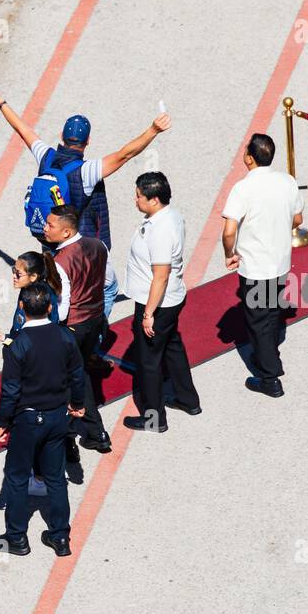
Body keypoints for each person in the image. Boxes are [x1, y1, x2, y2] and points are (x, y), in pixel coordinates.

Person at [0, 84, 168, 308]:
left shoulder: (46, 157)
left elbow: (24, 130)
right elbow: (125, 154)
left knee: (59, 289)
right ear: (88, 142)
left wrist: (0, 103)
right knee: (107, 288)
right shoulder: (86, 172)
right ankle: (94, 334)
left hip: (50, 241)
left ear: (61, 137)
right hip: (82, 247)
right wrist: (153, 129)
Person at [0, 283, 87, 558]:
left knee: (17, 478)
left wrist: (2, 421)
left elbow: (10, 390)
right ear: (51, 308)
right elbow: (78, 375)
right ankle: (60, 536)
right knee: (55, 478)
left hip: (28, 420)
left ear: (21, 308)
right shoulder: (65, 336)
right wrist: (77, 404)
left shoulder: (19, 345)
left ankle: (17, 537)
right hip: (57, 417)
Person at [221, 134, 304, 397]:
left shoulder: (242, 188)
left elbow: (228, 230)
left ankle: (270, 378)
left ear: (249, 158)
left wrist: (229, 253)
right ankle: (270, 356)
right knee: (271, 315)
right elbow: (298, 218)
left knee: (257, 321)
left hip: (255, 267)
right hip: (280, 263)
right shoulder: (287, 182)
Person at [122, 172, 200, 433]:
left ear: (154, 199)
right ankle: (188, 400)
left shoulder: (161, 230)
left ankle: (155, 419)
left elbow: (161, 275)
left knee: (149, 362)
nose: (135, 199)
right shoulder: (169, 215)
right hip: (171, 298)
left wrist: (148, 314)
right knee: (172, 348)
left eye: (139, 196)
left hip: (156, 303)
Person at [42, 205, 114, 452]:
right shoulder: (98, 246)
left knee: (69, 379)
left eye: (50, 225)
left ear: (65, 232)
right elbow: (108, 281)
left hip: (73, 326)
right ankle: (90, 433)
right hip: (95, 319)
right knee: (80, 373)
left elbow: (62, 307)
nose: (44, 228)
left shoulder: (59, 262)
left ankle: (85, 434)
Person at [0, 250, 62, 340]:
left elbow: (47, 331)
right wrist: (8, 338)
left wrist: (15, 345)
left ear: (33, 277)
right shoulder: (27, 288)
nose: (14, 276)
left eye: (18, 274)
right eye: (14, 270)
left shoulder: (41, 297)